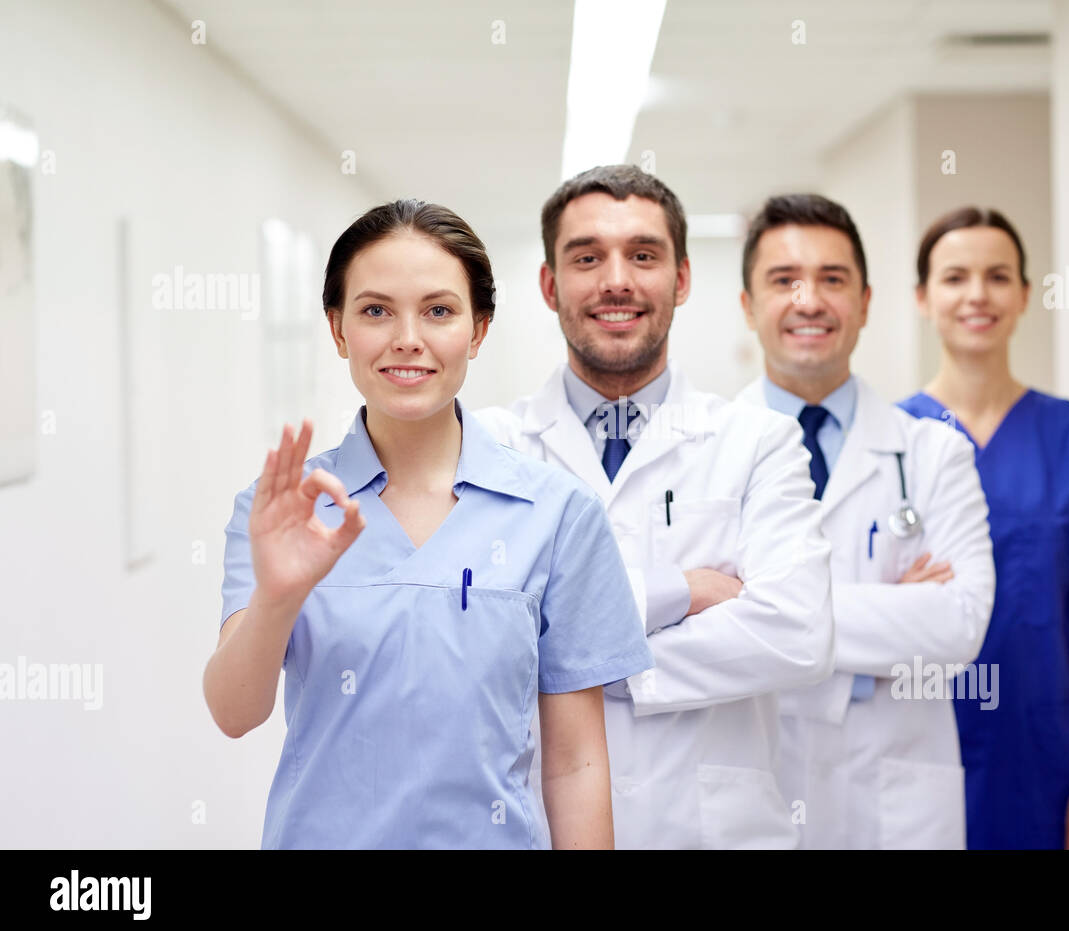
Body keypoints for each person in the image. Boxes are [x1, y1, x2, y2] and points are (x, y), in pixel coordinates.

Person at [203, 199, 653, 849]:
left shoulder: (557, 515)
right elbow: (234, 713)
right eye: (375, 310)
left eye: (438, 311)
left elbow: (576, 763)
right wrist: (277, 596)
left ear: (478, 330)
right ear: (337, 330)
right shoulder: (281, 511)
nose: (406, 338)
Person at [474, 165, 834, 849]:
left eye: (644, 255)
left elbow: (798, 634)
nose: (617, 280)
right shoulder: (492, 448)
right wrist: (680, 592)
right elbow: (481, 640)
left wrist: (575, 655)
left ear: (683, 279)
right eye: (587, 258)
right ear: (550, 286)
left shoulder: (759, 442)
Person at [898, 206, 1069, 850]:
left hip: (1044, 753)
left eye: (997, 276)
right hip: (915, 745)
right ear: (923, 297)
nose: (977, 295)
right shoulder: (890, 441)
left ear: (1023, 295)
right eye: (955, 277)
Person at [736, 194, 995, 849]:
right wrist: (889, 617)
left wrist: (759, 605)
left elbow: (959, 624)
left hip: (899, 798)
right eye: (783, 280)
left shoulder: (935, 452)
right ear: (747, 305)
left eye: (832, 279)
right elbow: (688, 627)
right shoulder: (698, 458)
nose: (809, 300)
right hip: (754, 785)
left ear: (867, 302)